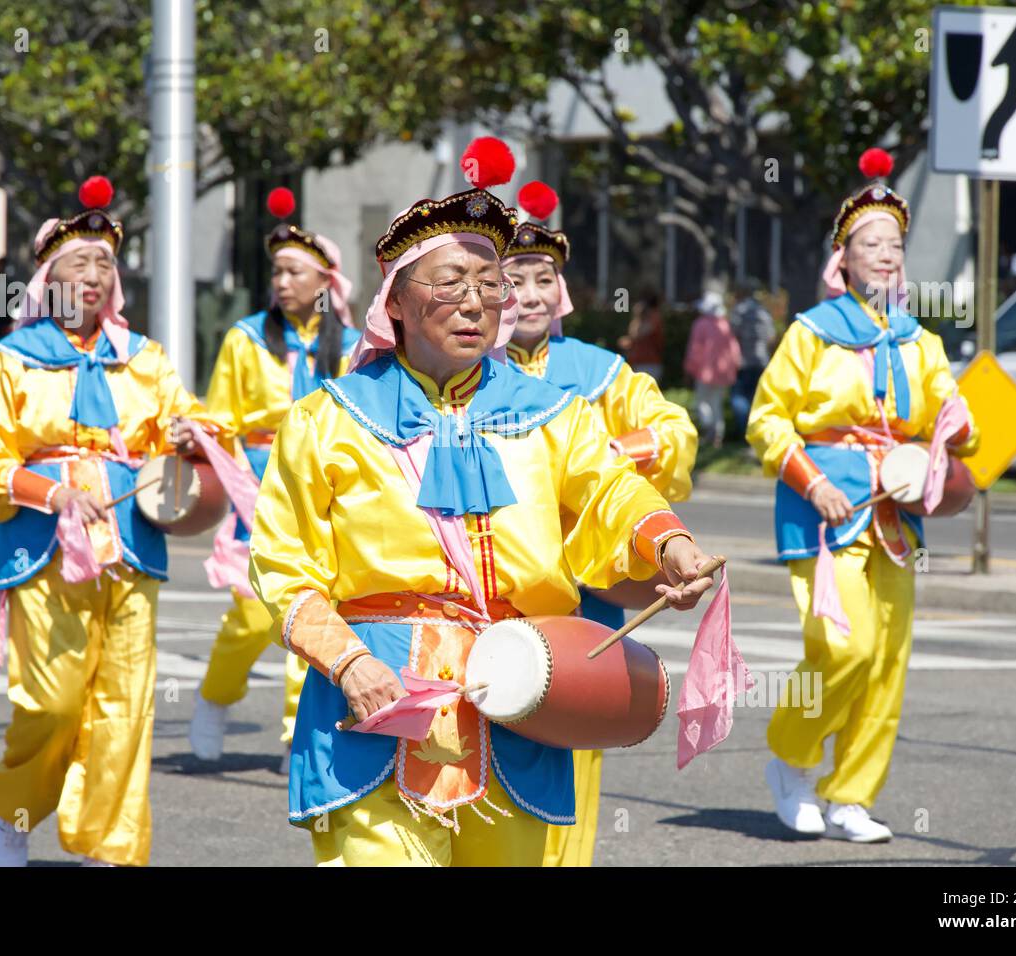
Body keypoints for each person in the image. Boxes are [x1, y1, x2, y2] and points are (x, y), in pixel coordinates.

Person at [250, 138, 718, 866]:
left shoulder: (553, 411)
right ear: (396, 302)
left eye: (489, 282)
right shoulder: (329, 419)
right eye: (450, 281)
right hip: (380, 700)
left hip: (521, 696)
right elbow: (283, 566)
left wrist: (668, 542)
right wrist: (346, 662)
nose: (475, 301)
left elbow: (609, 489)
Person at [0, 176, 216, 867]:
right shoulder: (11, 360)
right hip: (46, 547)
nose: (96, 274)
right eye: (81, 261)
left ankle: (110, 847)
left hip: (134, 543)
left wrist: (189, 434)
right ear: (47, 278)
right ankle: (16, 812)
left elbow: (178, 425)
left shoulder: (147, 359)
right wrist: (56, 494)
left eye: (106, 262)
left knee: (127, 705)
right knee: (52, 701)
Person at [746, 148, 980, 843]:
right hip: (824, 510)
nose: (885, 256)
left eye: (895, 246)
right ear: (842, 258)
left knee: (886, 661)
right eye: (870, 244)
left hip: (897, 516)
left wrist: (962, 429)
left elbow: (950, 420)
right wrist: (812, 483)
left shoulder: (921, 342)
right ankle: (790, 758)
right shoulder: (811, 335)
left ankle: (852, 795)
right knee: (843, 648)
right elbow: (767, 419)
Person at [502, 180, 699, 866]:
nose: (529, 293)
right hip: (498, 584)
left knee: (577, 737)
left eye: (543, 278)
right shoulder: (470, 370)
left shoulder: (597, 372)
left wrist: (625, 450)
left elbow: (673, 428)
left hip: (588, 585)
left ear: (561, 291)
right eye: (513, 278)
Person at [190, 189, 361, 769]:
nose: (282, 282)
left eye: (295, 272)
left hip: (323, 487)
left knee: (311, 607)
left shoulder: (350, 343)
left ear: (325, 281)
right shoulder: (245, 338)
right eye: (278, 272)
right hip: (256, 485)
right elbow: (221, 412)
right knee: (248, 614)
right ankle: (215, 696)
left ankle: (296, 734)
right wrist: (198, 435)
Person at [683, 291, 741, 449]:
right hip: (723, 373)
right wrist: (734, 367)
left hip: (705, 372)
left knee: (702, 402)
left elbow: (695, 349)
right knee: (716, 403)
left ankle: (709, 430)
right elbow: (734, 349)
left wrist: (689, 368)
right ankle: (717, 435)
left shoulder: (700, 324)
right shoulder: (725, 324)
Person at [728, 278, 776, 437]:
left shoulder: (738, 311)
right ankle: (758, 433)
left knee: (739, 397)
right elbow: (771, 337)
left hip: (743, 361)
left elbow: (731, 336)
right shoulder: (763, 312)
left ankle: (746, 433)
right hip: (762, 361)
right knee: (759, 400)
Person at [617, 293, 665, 381]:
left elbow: (637, 334)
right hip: (637, 364)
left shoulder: (654, 318)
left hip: (649, 365)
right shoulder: (640, 320)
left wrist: (637, 316)